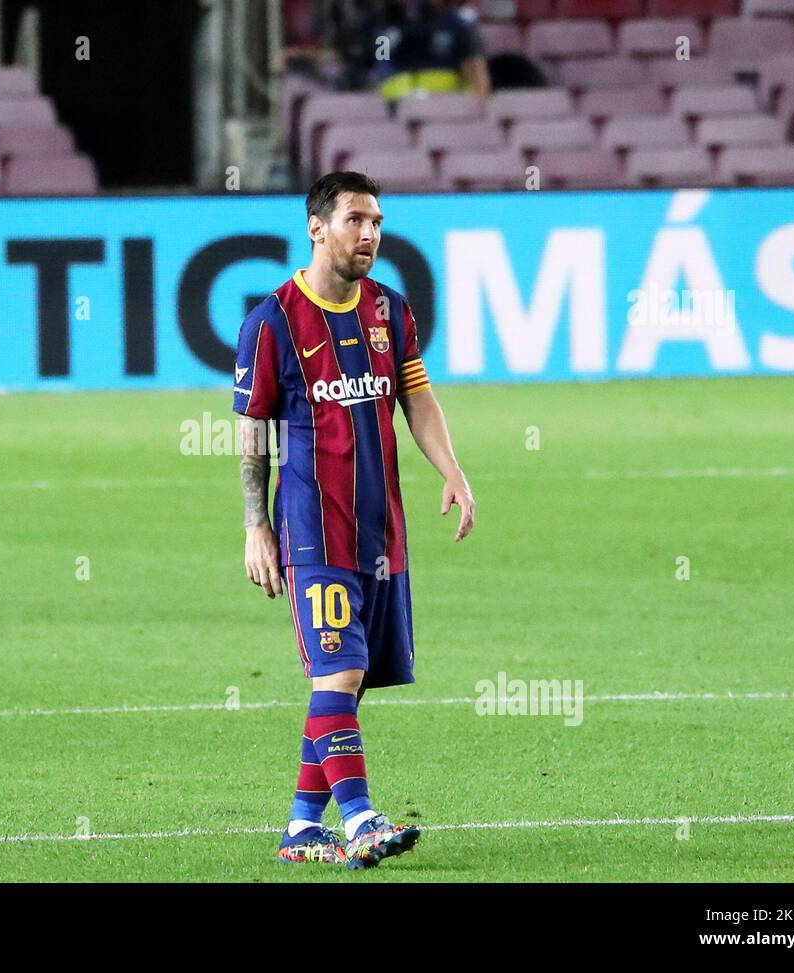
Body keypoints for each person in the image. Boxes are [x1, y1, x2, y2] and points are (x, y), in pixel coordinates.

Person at [233, 171, 476, 869]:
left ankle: (303, 826)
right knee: (338, 673)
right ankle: (362, 818)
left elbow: (416, 397)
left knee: (350, 678)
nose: (369, 233)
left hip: (381, 531)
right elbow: (252, 432)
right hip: (314, 530)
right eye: (355, 220)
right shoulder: (273, 320)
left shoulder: (390, 309)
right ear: (317, 227)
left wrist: (451, 469)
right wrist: (256, 525)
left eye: (376, 221)